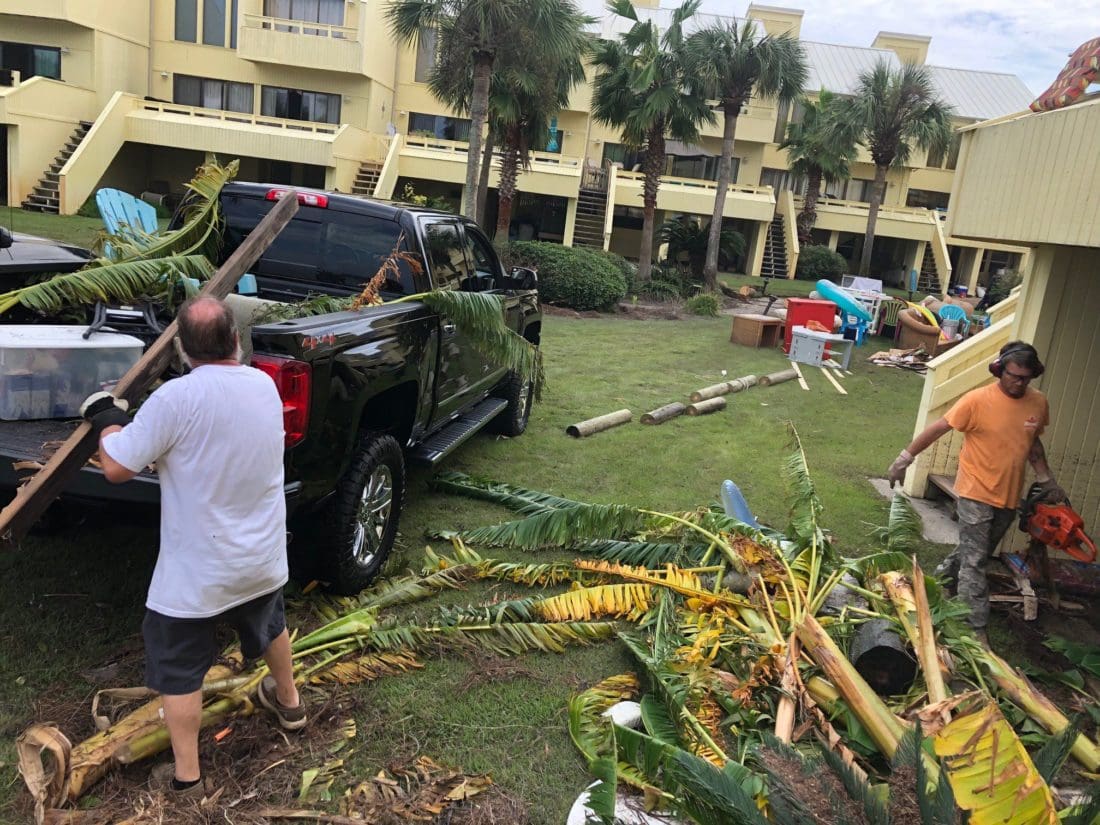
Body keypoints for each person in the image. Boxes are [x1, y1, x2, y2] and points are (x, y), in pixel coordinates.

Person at [80, 296, 306, 798]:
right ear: (237, 341)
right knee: (271, 624)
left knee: (181, 671)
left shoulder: (175, 400)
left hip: (198, 575)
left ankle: (189, 778)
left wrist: (107, 418)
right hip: (261, 558)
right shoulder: (265, 387)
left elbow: (117, 466)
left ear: (181, 348)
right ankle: (290, 704)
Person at [887, 341, 1064, 643]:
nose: (1019, 383)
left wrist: (1046, 480)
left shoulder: (1038, 402)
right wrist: (904, 459)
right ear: (999, 370)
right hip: (974, 490)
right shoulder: (976, 400)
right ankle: (973, 626)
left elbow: (1033, 442)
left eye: (1025, 378)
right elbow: (939, 428)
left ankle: (942, 577)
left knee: (976, 550)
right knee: (976, 561)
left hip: (1008, 494)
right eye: (1013, 376)